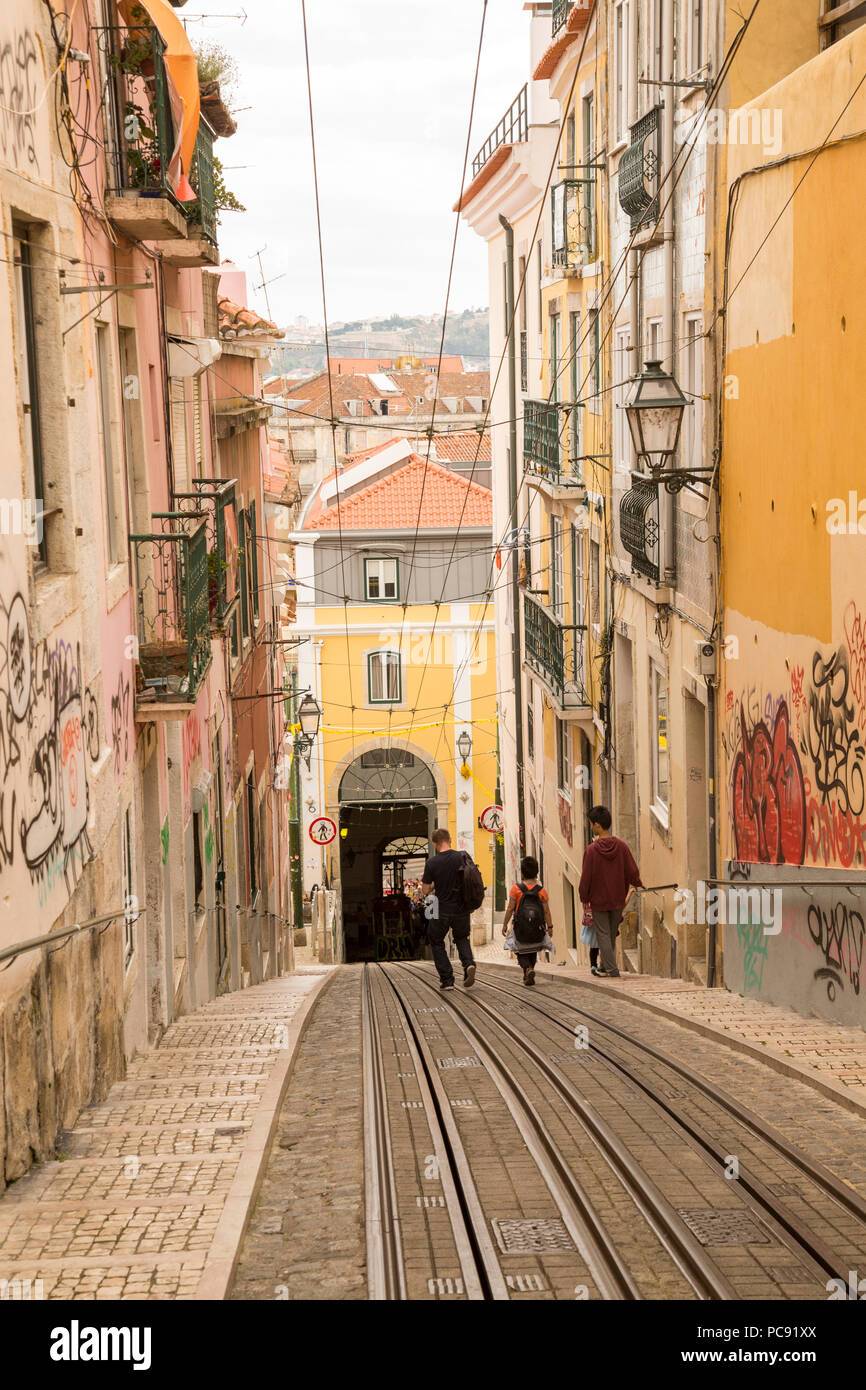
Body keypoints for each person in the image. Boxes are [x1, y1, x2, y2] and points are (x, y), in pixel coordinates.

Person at [578, 805, 643, 979]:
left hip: (599, 901)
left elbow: (586, 878)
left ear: (598, 825)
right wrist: (637, 883)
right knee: (610, 934)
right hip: (617, 899)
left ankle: (612, 970)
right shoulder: (621, 847)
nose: (591, 827)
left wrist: (584, 897)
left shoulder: (591, 851)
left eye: (592, 824)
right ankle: (604, 965)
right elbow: (632, 870)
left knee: (603, 935)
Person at [420, 828, 476, 991]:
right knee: (461, 938)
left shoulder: (432, 863)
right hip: (461, 908)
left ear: (435, 844)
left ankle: (447, 980)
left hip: (441, 908)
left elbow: (425, 890)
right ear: (450, 840)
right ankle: (468, 965)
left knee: (436, 941)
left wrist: (434, 885)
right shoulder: (462, 857)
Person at [501, 855, 553, 986]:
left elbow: (510, 908)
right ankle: (530, 972)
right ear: (536, 873)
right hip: (537, 928)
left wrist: (505, 924)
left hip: (521, 927)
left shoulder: (516, 889)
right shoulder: (542, 891)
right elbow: (546, 911)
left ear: (522, 872)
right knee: (533, 949)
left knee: (519, 950)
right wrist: (550, 927)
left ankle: (527, 969)